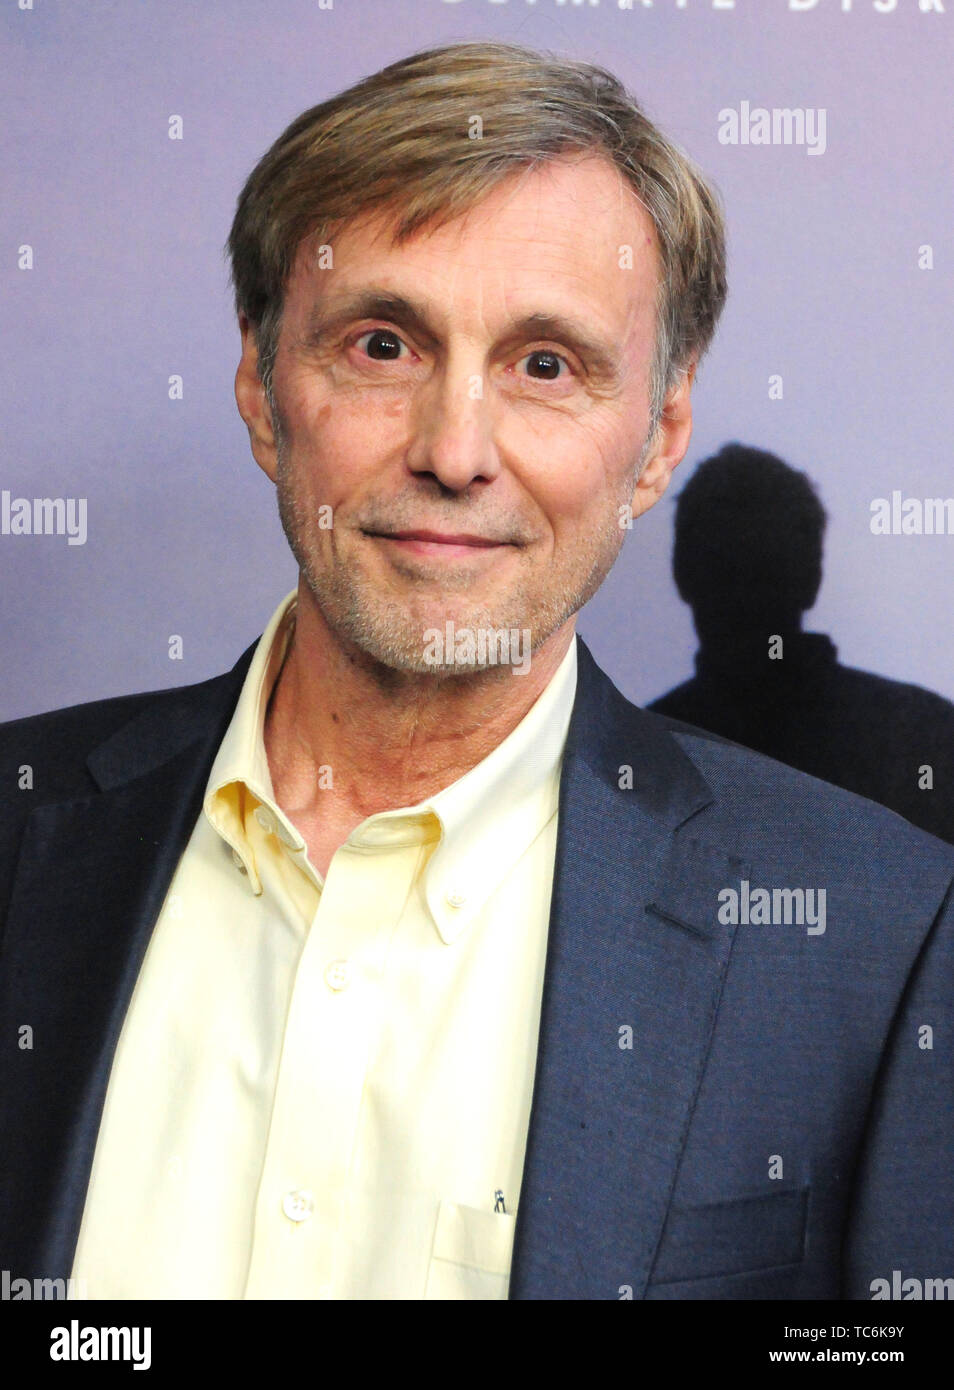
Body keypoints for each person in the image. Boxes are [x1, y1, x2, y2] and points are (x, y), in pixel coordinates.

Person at [1, 41, 952, 1302]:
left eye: (546, 365)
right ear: (259, 379)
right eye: (383, 344)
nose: (456, 451)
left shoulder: (880, 933)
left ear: (658, 435)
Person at [649, 443, 954, 845]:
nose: (744, 594)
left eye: (760, 569)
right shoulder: (923, 732)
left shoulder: (640, 757)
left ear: (682, 574)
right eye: (729, 567)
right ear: (812, 577)